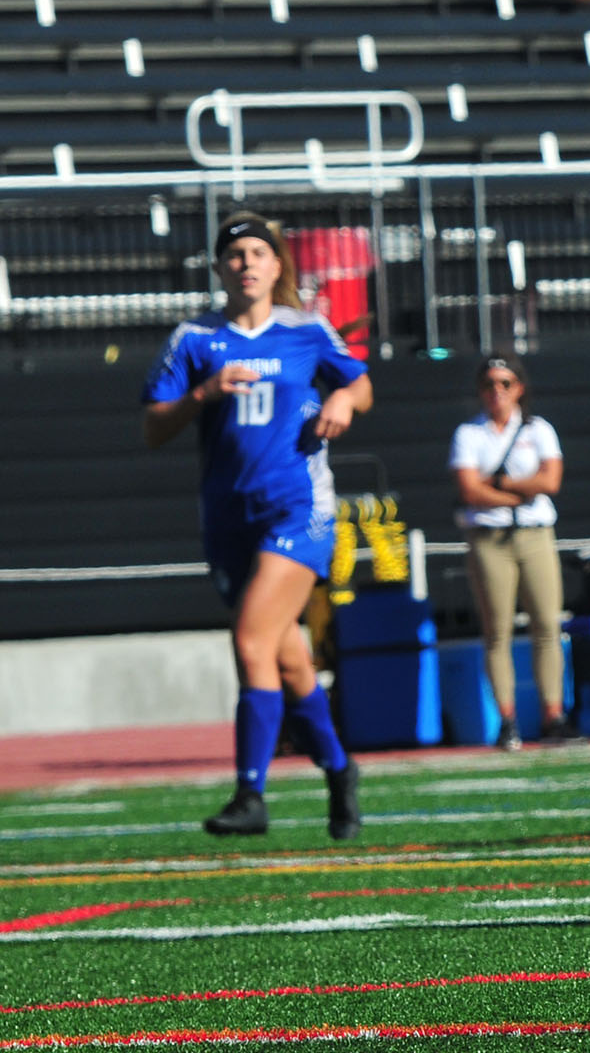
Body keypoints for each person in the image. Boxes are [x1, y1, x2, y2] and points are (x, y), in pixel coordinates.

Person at [141, 210, 370, 840]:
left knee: (249, 644)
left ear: (276, 266)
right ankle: (340, 770)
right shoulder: (194, 338)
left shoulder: (305, 330)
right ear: (220, 268)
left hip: (298, 510)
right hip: (227, 519)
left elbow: (360, 385)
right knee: (289, 660)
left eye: (257, 254)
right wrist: (202, 394)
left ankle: (251, 792)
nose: (246, 264)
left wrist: (344, 401)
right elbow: (154, 425)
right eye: (235, 255)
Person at [449, 353, 575, 751]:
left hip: (535, 534)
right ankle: (507, 720)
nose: (497, 392)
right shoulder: (469, 433)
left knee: (546, 626)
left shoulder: (539, 429)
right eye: (489, 384)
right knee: (497, 630)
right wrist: (521, 487)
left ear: (519, 387)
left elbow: (551, 480)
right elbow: (469, 490)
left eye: (505, 383)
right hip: (491, 539)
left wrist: (498, 484)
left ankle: (553, 715)